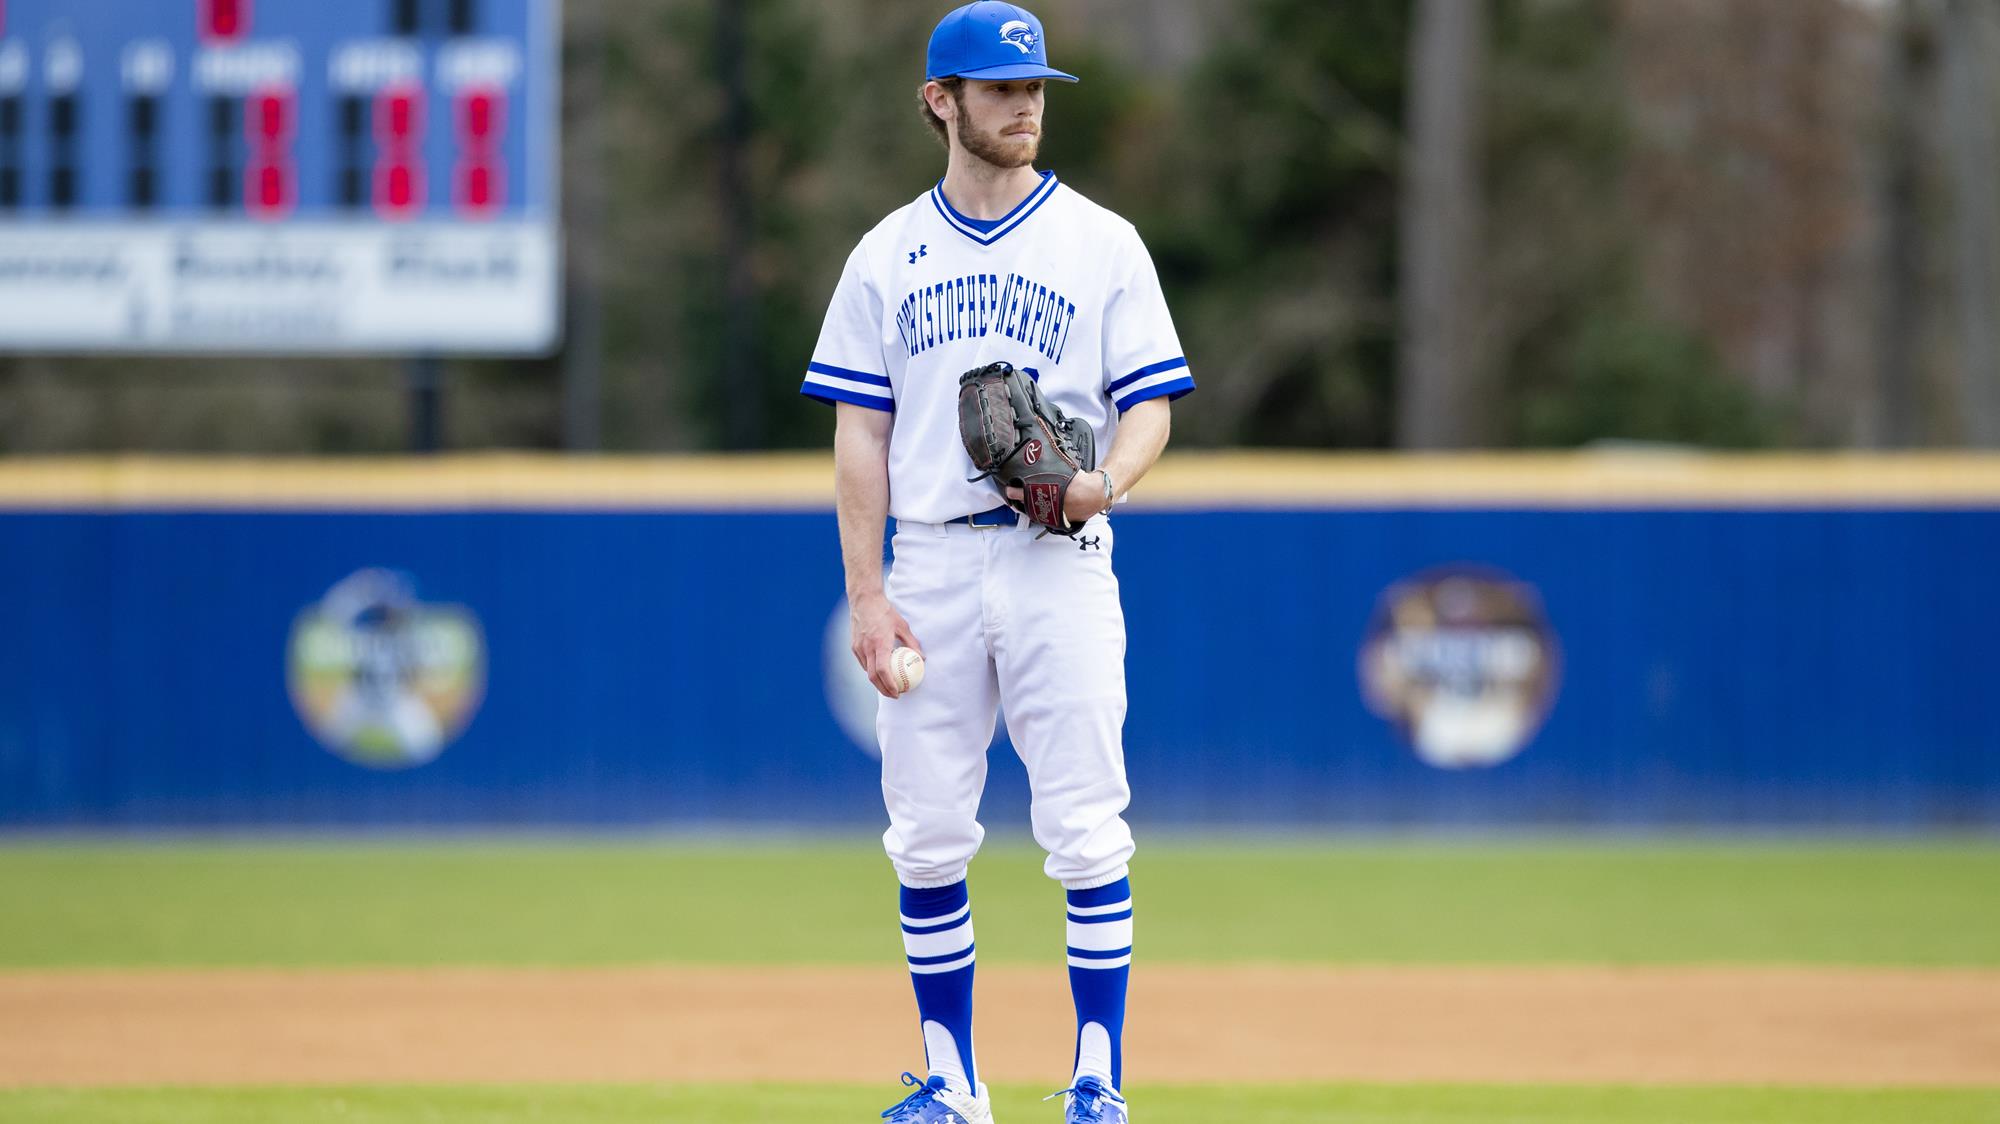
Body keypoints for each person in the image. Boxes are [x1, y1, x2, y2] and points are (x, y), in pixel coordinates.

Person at [800, 3, 1192, 1120]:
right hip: (927, 557)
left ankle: (1094, 1079)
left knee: (1083, 822)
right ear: (940, 101)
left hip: (1056, 555)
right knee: (924, 829)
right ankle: (954, 1081)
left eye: (1033, 89)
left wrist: (1100, 482)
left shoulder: (1099, 240)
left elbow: (1151, 405)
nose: (1023, 105)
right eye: (999, 88)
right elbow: (859, 436)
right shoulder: (884, 256)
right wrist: (867, 595)